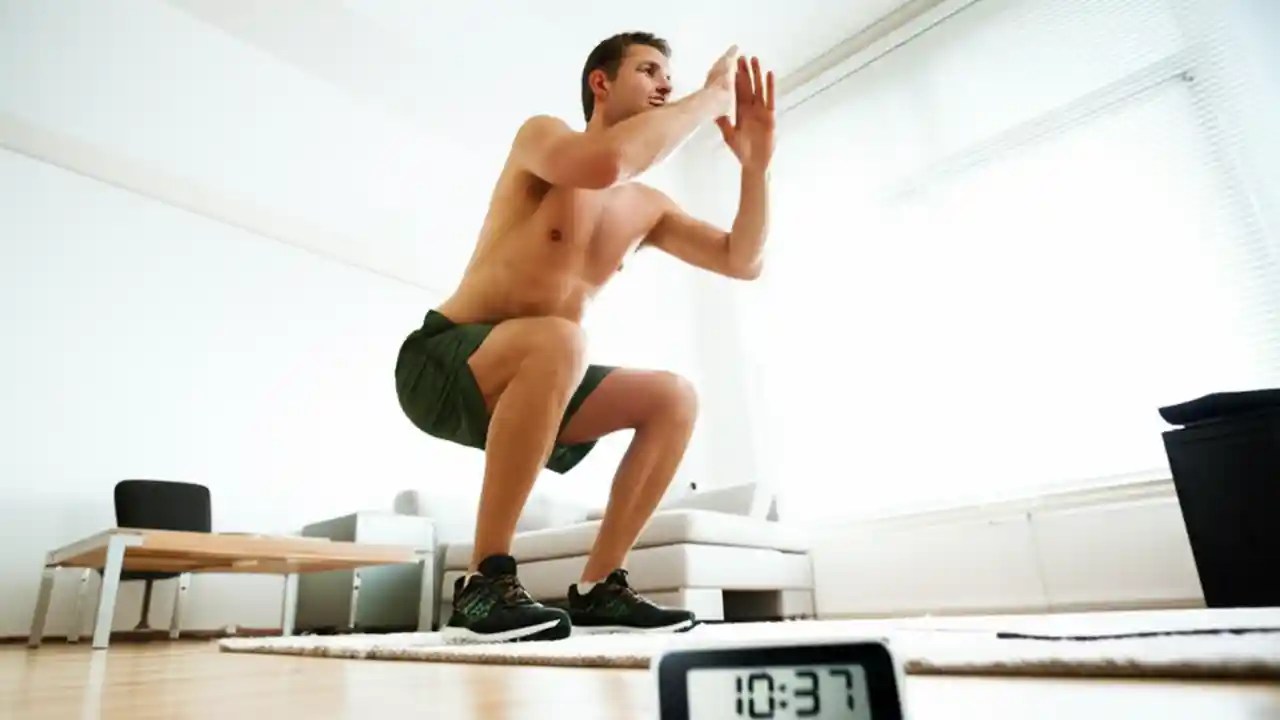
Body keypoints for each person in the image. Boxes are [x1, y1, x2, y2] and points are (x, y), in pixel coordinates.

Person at [394, 31, 775, 643]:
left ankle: (601, 587)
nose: (666, 84)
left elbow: (742, 259)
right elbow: (605, 164)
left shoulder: (646, 206)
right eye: (649, 70)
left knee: (674, 397)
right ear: (601, 82)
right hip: (442, 361)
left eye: (670, 77)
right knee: (562, 340)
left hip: (541, 374)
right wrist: (710, 100)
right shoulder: (545, 141)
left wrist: (755, 168)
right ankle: (483, 586)